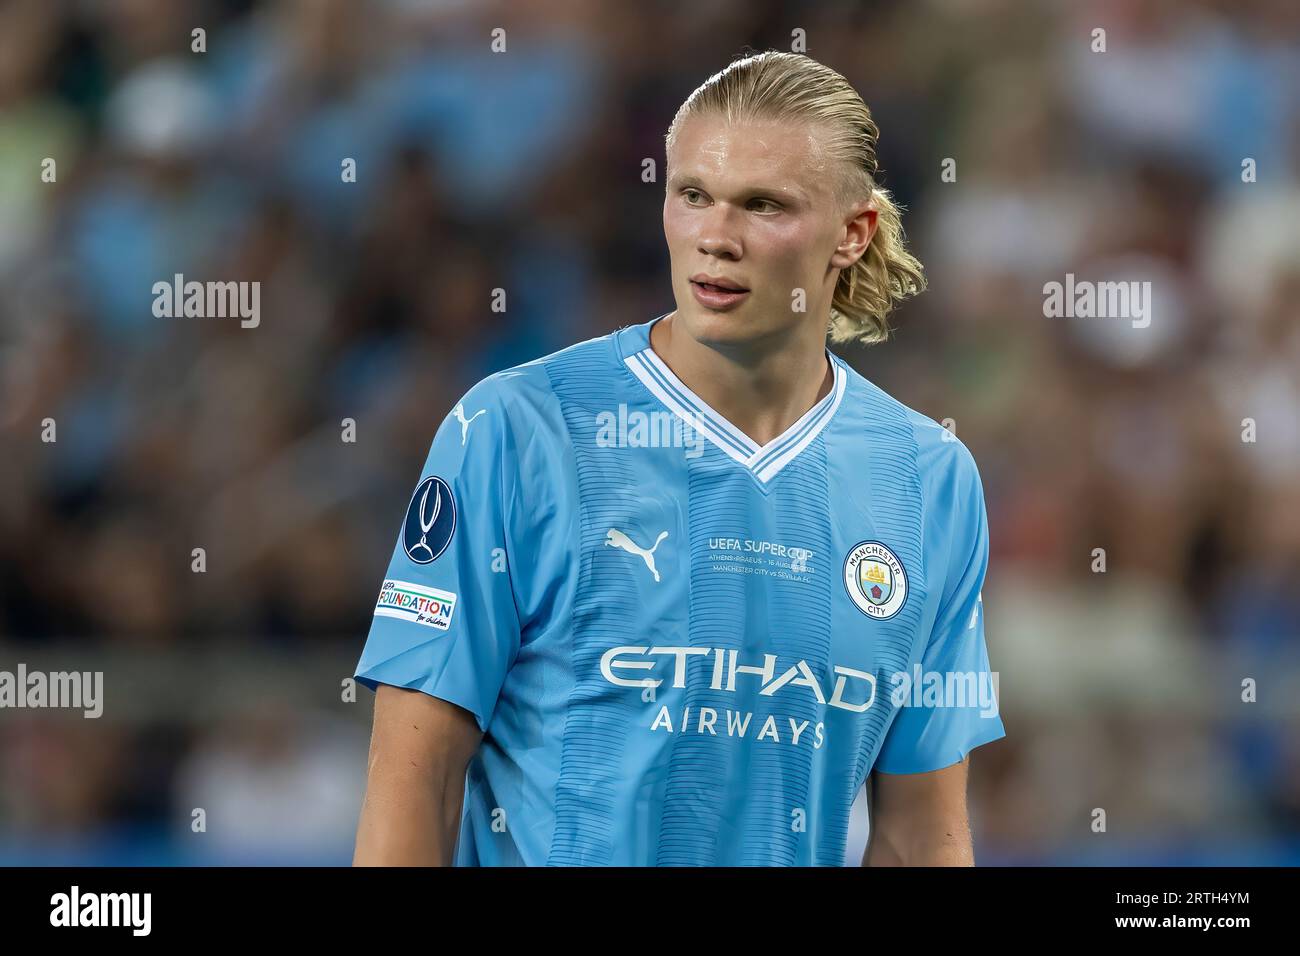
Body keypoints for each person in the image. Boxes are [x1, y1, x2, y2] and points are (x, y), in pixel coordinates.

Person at [352, 50, 1004, 866]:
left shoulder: (929, 479)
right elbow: (414, 774)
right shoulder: (517, 430)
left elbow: (919, 837)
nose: (716, 238)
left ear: (853, 232)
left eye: (764, 205)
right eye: (693, 196)